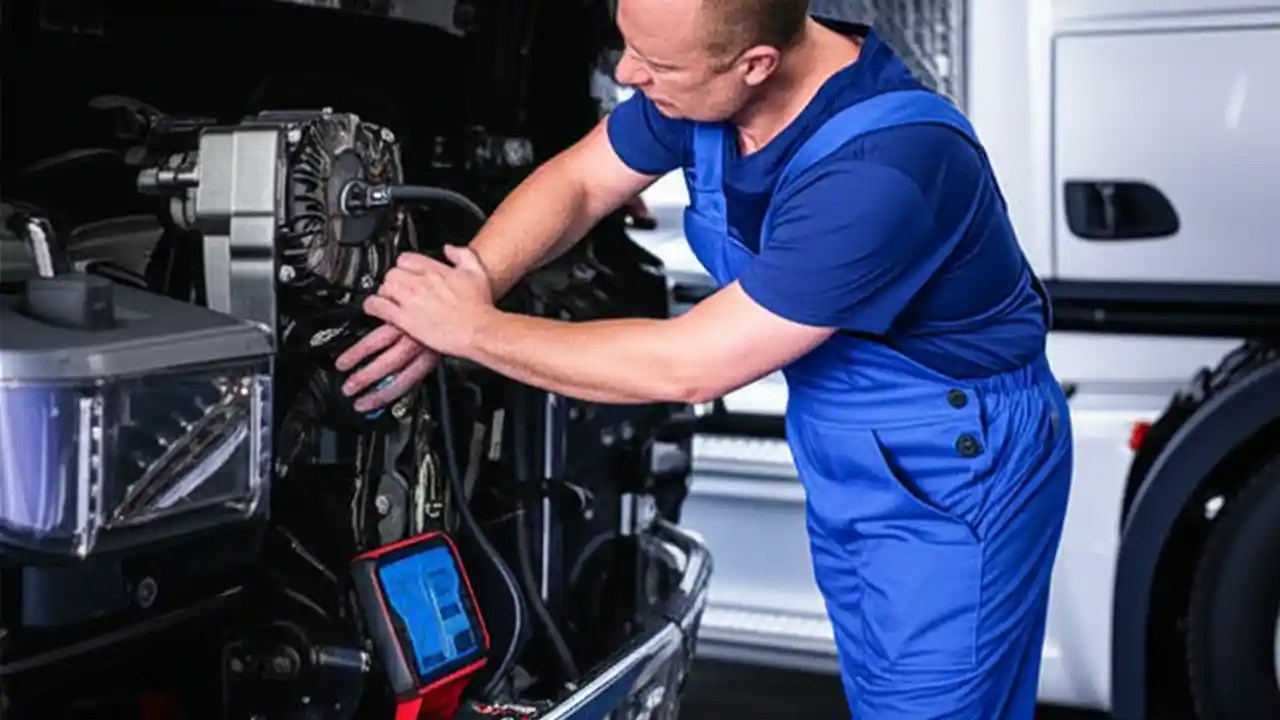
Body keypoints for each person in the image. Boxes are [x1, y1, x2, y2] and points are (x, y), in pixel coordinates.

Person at [336, 1, 1073, 717]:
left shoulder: (888, 167)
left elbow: (690, 366)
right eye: (627, 45)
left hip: (952, 460)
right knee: (887, 693)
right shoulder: (703, 87)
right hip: (851, 439)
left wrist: (471, 331)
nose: (629, 74)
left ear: (756, 64)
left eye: (655, 63)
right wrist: (473, 280)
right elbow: (583, 180)